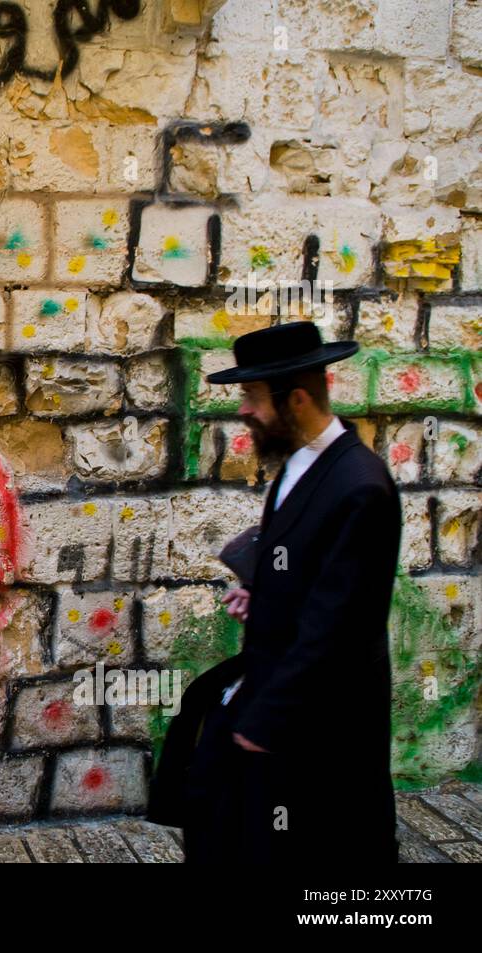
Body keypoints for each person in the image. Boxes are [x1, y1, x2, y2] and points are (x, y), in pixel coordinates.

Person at [150, 321, 402, 863]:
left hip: (320, 718)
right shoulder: (303, 465)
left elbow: (339, 627)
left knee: (316, 844)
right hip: (278, 688)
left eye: (252, 397)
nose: (243, 410)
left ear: (298, 399)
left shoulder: (361, 487)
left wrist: (267, 718)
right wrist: (260, 597)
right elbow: (309, 579)